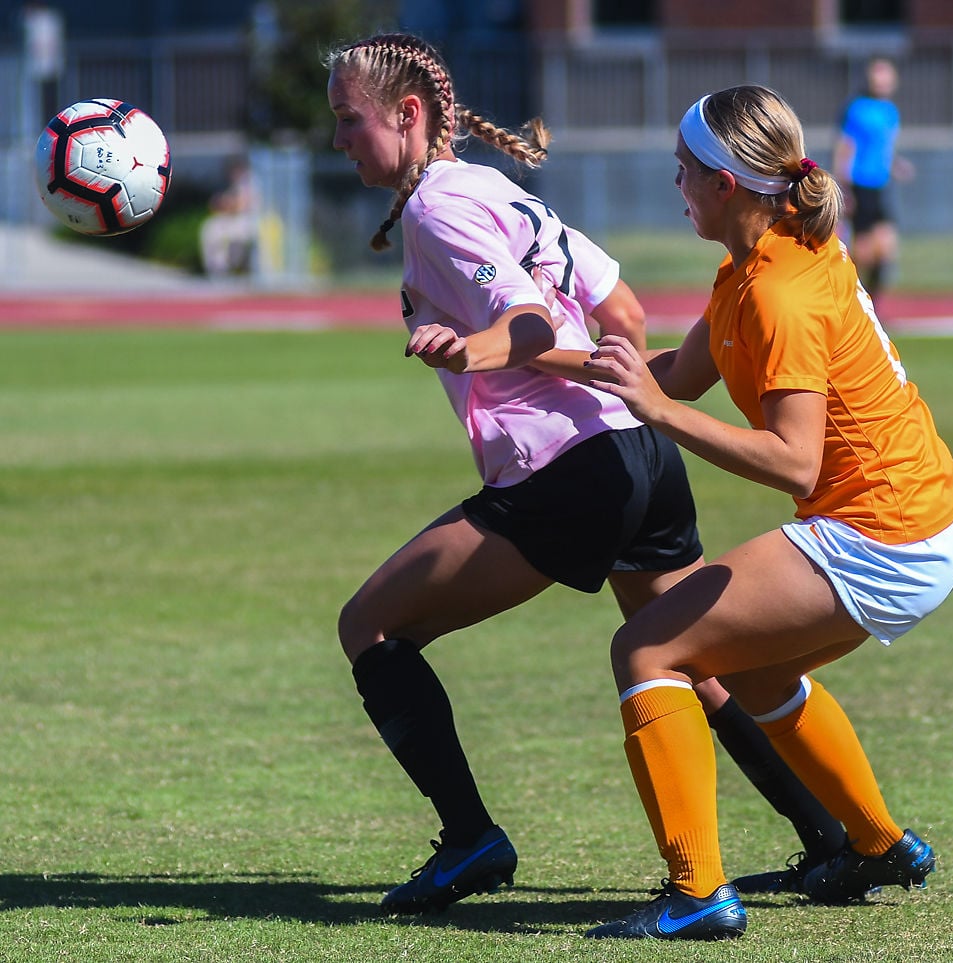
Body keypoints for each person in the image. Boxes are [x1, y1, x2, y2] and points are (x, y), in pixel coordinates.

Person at [324, 33, 851, 916]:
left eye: (349, 119)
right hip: (641, 452)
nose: (338, 138)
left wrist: (471, 350)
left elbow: (528, 325)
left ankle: (470, 839)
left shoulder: (438, 211)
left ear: (407, 115)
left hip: (564, 471)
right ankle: (828, 833)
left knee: (369, 625)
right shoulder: (497, 189)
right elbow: (626, 314)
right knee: (697, 659)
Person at [582, 84, 953, 941]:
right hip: (921, 510)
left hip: (888, 528)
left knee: (647, 648)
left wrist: (656, 414)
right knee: (756, 674)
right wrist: (541, 363)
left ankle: (697, 894)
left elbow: (791, 457)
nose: (675, 183)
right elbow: (676, 376)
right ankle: (879, 845)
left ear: (725, 184)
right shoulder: (760, 261)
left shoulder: (777, 292)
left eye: (683, 170)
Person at [833, 56, 914, 300]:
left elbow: (883, 148)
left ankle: (871, 303)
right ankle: (848, 297)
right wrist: (844, 188)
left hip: (881, 186)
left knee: (887, 248)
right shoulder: (857, 108)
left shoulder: (890, 111)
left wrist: (896, 164)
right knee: (864, 251)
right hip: (860, 184)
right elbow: (845, 147)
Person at [200, 155, 257, 277]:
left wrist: (225, 203)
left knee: (225, 233)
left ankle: (226, 268)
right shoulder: (238, 183)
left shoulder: (249, 180)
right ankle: (217, 268)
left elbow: (242, 204)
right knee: (211, 227)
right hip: (236, 220)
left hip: (250, 221)